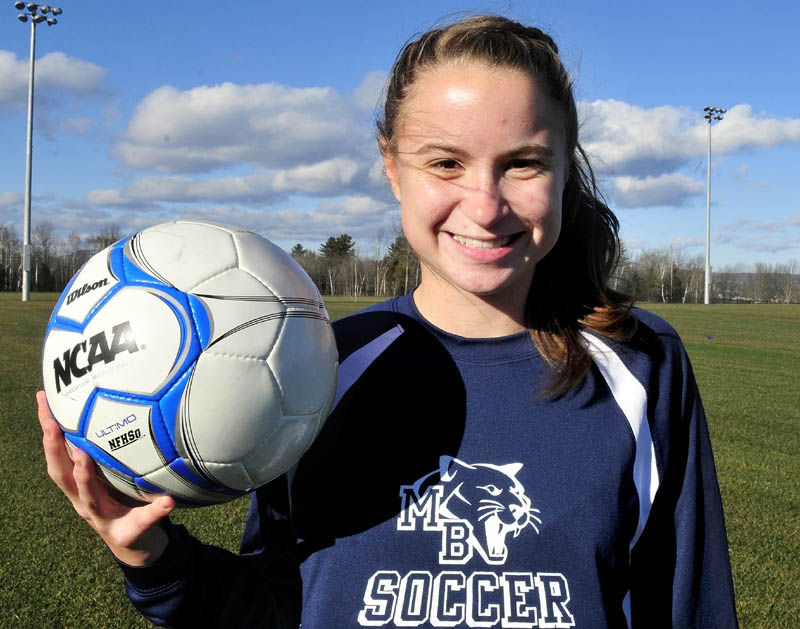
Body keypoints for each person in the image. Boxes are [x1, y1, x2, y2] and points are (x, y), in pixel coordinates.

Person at [37, 15, 738, 628]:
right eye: (446, 162)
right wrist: (153, 557)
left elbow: (688, 604)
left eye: (523, 163)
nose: (485, 204)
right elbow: (281, 605)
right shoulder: (314, 367)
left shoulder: (639, 365)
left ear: (563, 169)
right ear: (392, 167)